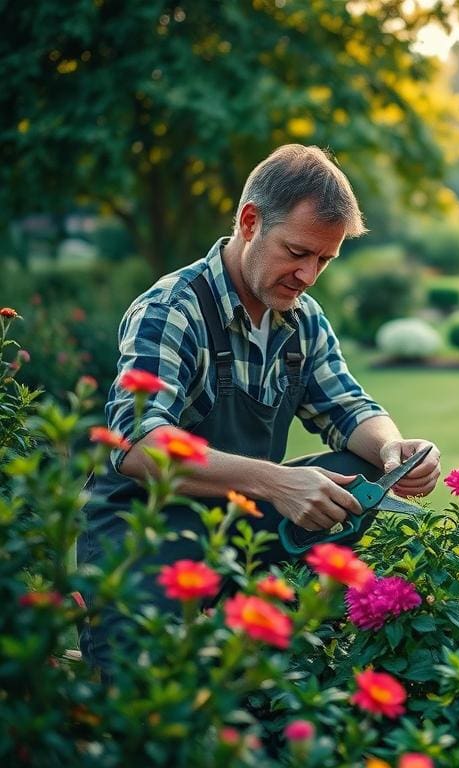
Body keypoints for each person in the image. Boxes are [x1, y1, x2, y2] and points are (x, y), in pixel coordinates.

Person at [78, 143, 440, 671]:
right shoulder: (172, 308)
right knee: (141, 689)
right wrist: (275, 482)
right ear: (250, 222)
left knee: (360, 470)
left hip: (238, 524)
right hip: (144, 528)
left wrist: (392, 449)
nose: (308, 275)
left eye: (324, 260)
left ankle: (308, 641)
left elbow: (348, 406)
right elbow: (137, 446)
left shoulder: (302, 318)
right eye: (297, 252)